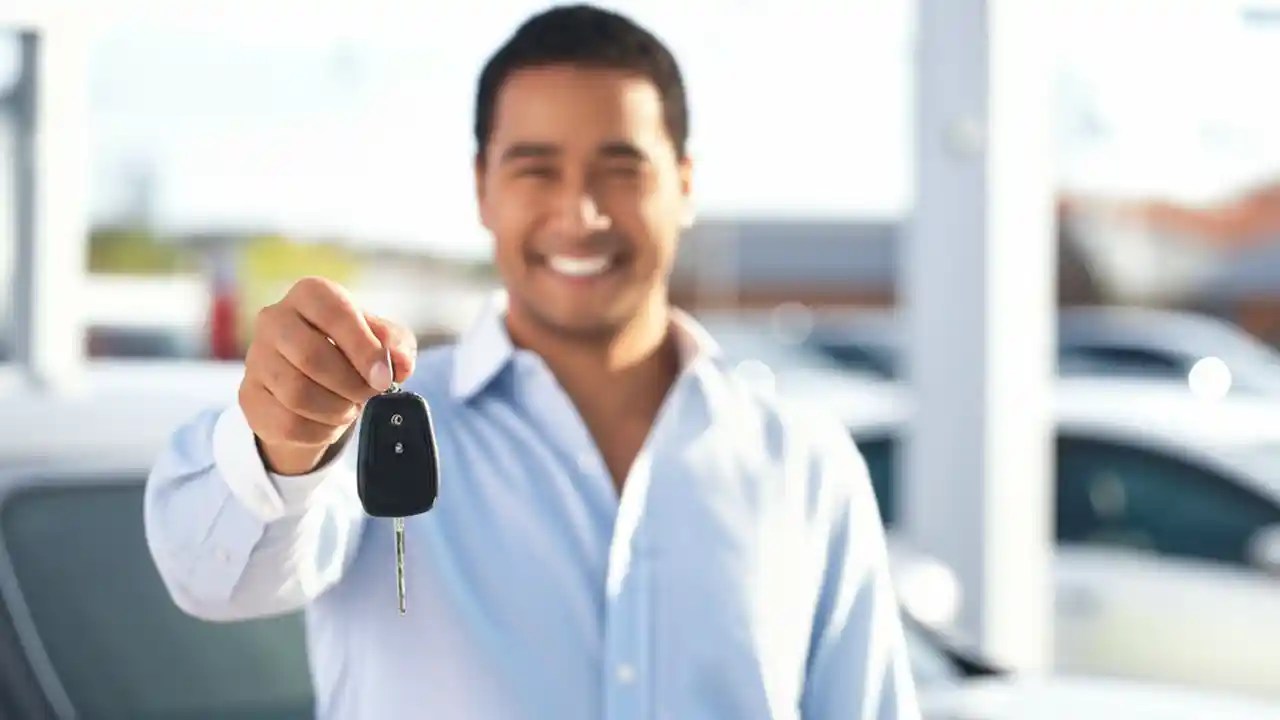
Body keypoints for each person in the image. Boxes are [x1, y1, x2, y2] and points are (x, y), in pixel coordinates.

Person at [144, 5, 920, 718]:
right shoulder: (364, 431)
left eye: (621, 168)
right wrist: (283, 445)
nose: (579, 214)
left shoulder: (806, 464)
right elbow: (213, 578)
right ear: (482, 188)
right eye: (536, 168)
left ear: (684, 186)